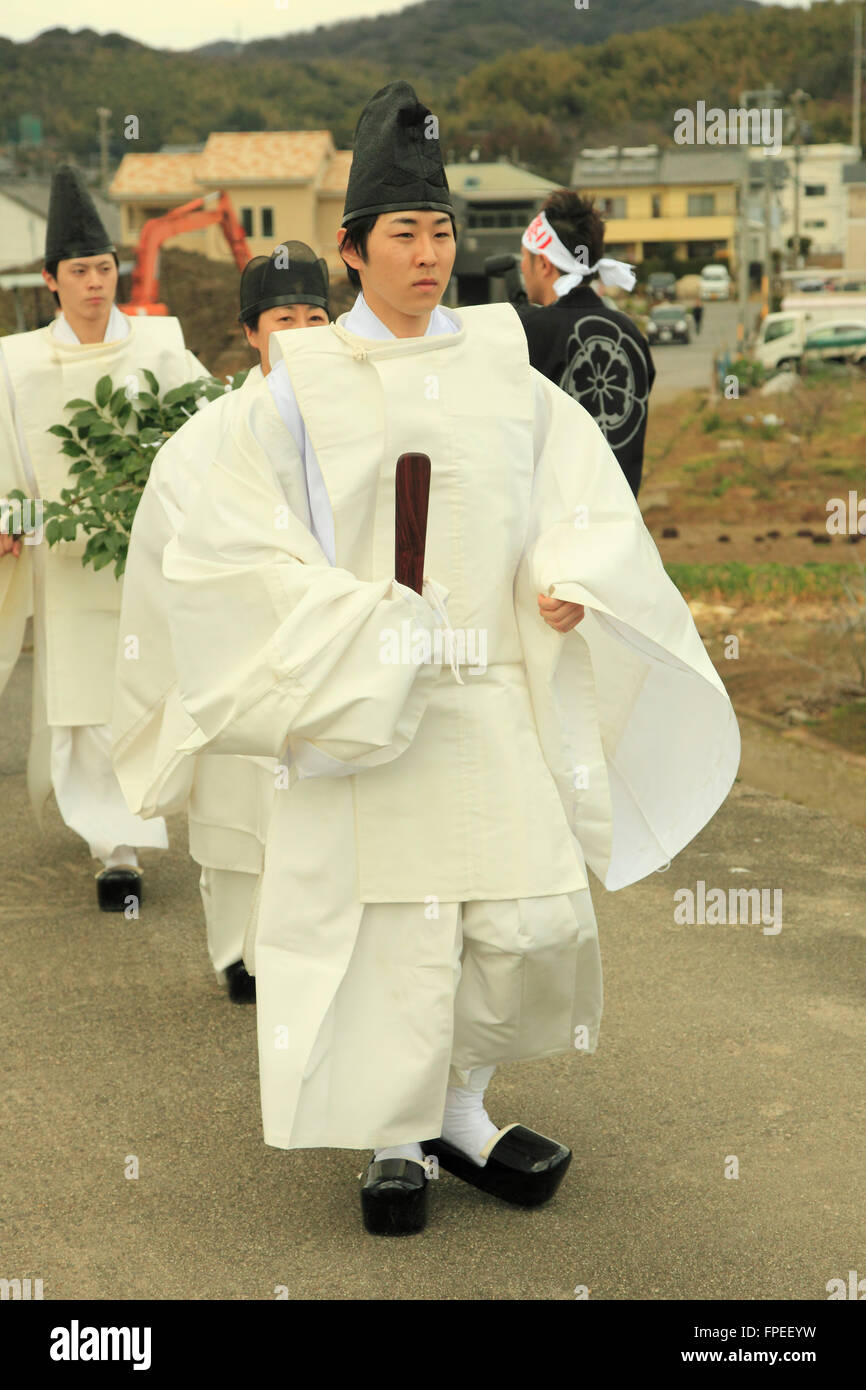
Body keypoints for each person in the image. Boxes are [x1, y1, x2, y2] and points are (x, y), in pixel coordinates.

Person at [158, 81, 739, 1235]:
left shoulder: (496, 366)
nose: (427, 256)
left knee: (529, 926)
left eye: (439, 234)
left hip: (487, 693)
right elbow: (233, 540)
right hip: (363, 703)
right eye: (402, 235)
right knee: (386, 936)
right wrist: (347, 631)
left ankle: (460, 1103)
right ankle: (395, 1136)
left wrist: (565, 577)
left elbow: (571, 494)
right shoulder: (292, 389)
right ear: (350, 251)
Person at [112, 243, 330, 1002]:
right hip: (239, 658)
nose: (299, 332)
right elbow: (165, 555)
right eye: (282, 318)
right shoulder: (205, 438)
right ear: (250, 332)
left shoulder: (358, 426)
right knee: (239, 807)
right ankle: (239, 952)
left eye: (314, 316)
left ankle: (314, 947)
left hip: (332, 651)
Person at [0, 165, 208, 912]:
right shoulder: (16, 362)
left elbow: (203, 429)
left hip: (147, 553)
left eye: (104, 267)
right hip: (67, 556)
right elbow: (8, 471)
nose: (95, 283)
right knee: (83, 701)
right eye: (79, 271)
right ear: (51, 279)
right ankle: (114, 849)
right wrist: (9, 522)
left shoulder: (160, 345)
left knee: (150, 688)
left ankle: (147, 815)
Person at [518, 190, 655, 498]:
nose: (522, 269)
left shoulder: (524, 335)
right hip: (623, 529)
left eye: (524, 258)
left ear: (543, 263)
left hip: (555, 532)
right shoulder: (631, 335)